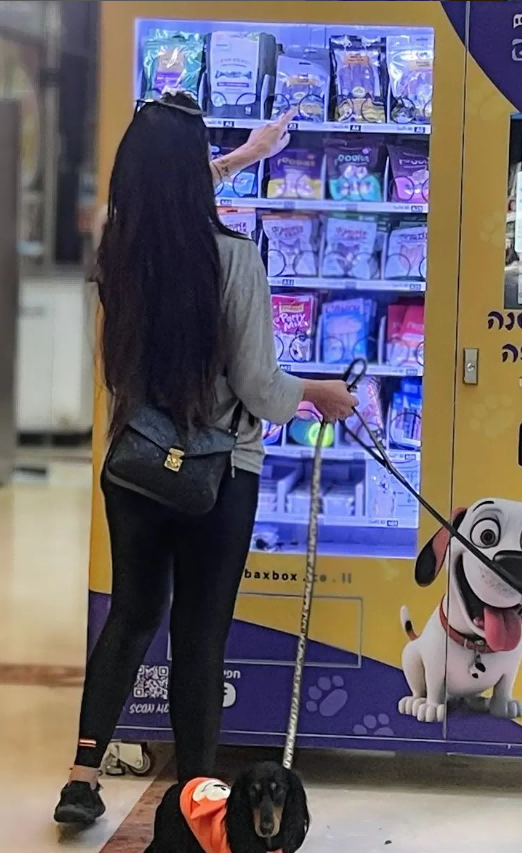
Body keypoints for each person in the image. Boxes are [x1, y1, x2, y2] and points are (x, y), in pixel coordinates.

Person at [54, 92, 357, 826]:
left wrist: (246, 157)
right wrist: (319, 392)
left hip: (134, 466)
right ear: (194, 175)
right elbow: (259, 384)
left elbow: (159, 200)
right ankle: (196, 803)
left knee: (129, 615)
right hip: (215, 479)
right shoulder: (234, 259)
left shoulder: (116, 247)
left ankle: (81, 775)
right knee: (199, 637)